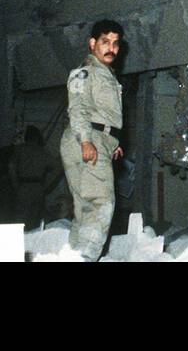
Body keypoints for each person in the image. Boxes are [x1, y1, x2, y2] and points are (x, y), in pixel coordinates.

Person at [59, 19, 124, 260]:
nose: (112, 48)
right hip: (85, 139)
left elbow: (103, 116)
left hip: (97, 140)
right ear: (92, 43)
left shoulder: (105, 74)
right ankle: (85, 258)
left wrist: (112, 143)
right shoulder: (85, 72)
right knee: (101, 205)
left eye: (116, 43)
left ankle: (73, 257)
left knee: (86, 210)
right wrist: (87, 141)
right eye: (105, 42)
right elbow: (78, 109)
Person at [9, 125, 58, 230]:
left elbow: (11, 166)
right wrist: (48, 185)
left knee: (19, 220)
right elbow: (58, 167)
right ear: (37, 138)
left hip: (23, 187)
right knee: (34, 221)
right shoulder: (42, 152)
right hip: (38, 188)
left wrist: (15, 184)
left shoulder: (20, 149)